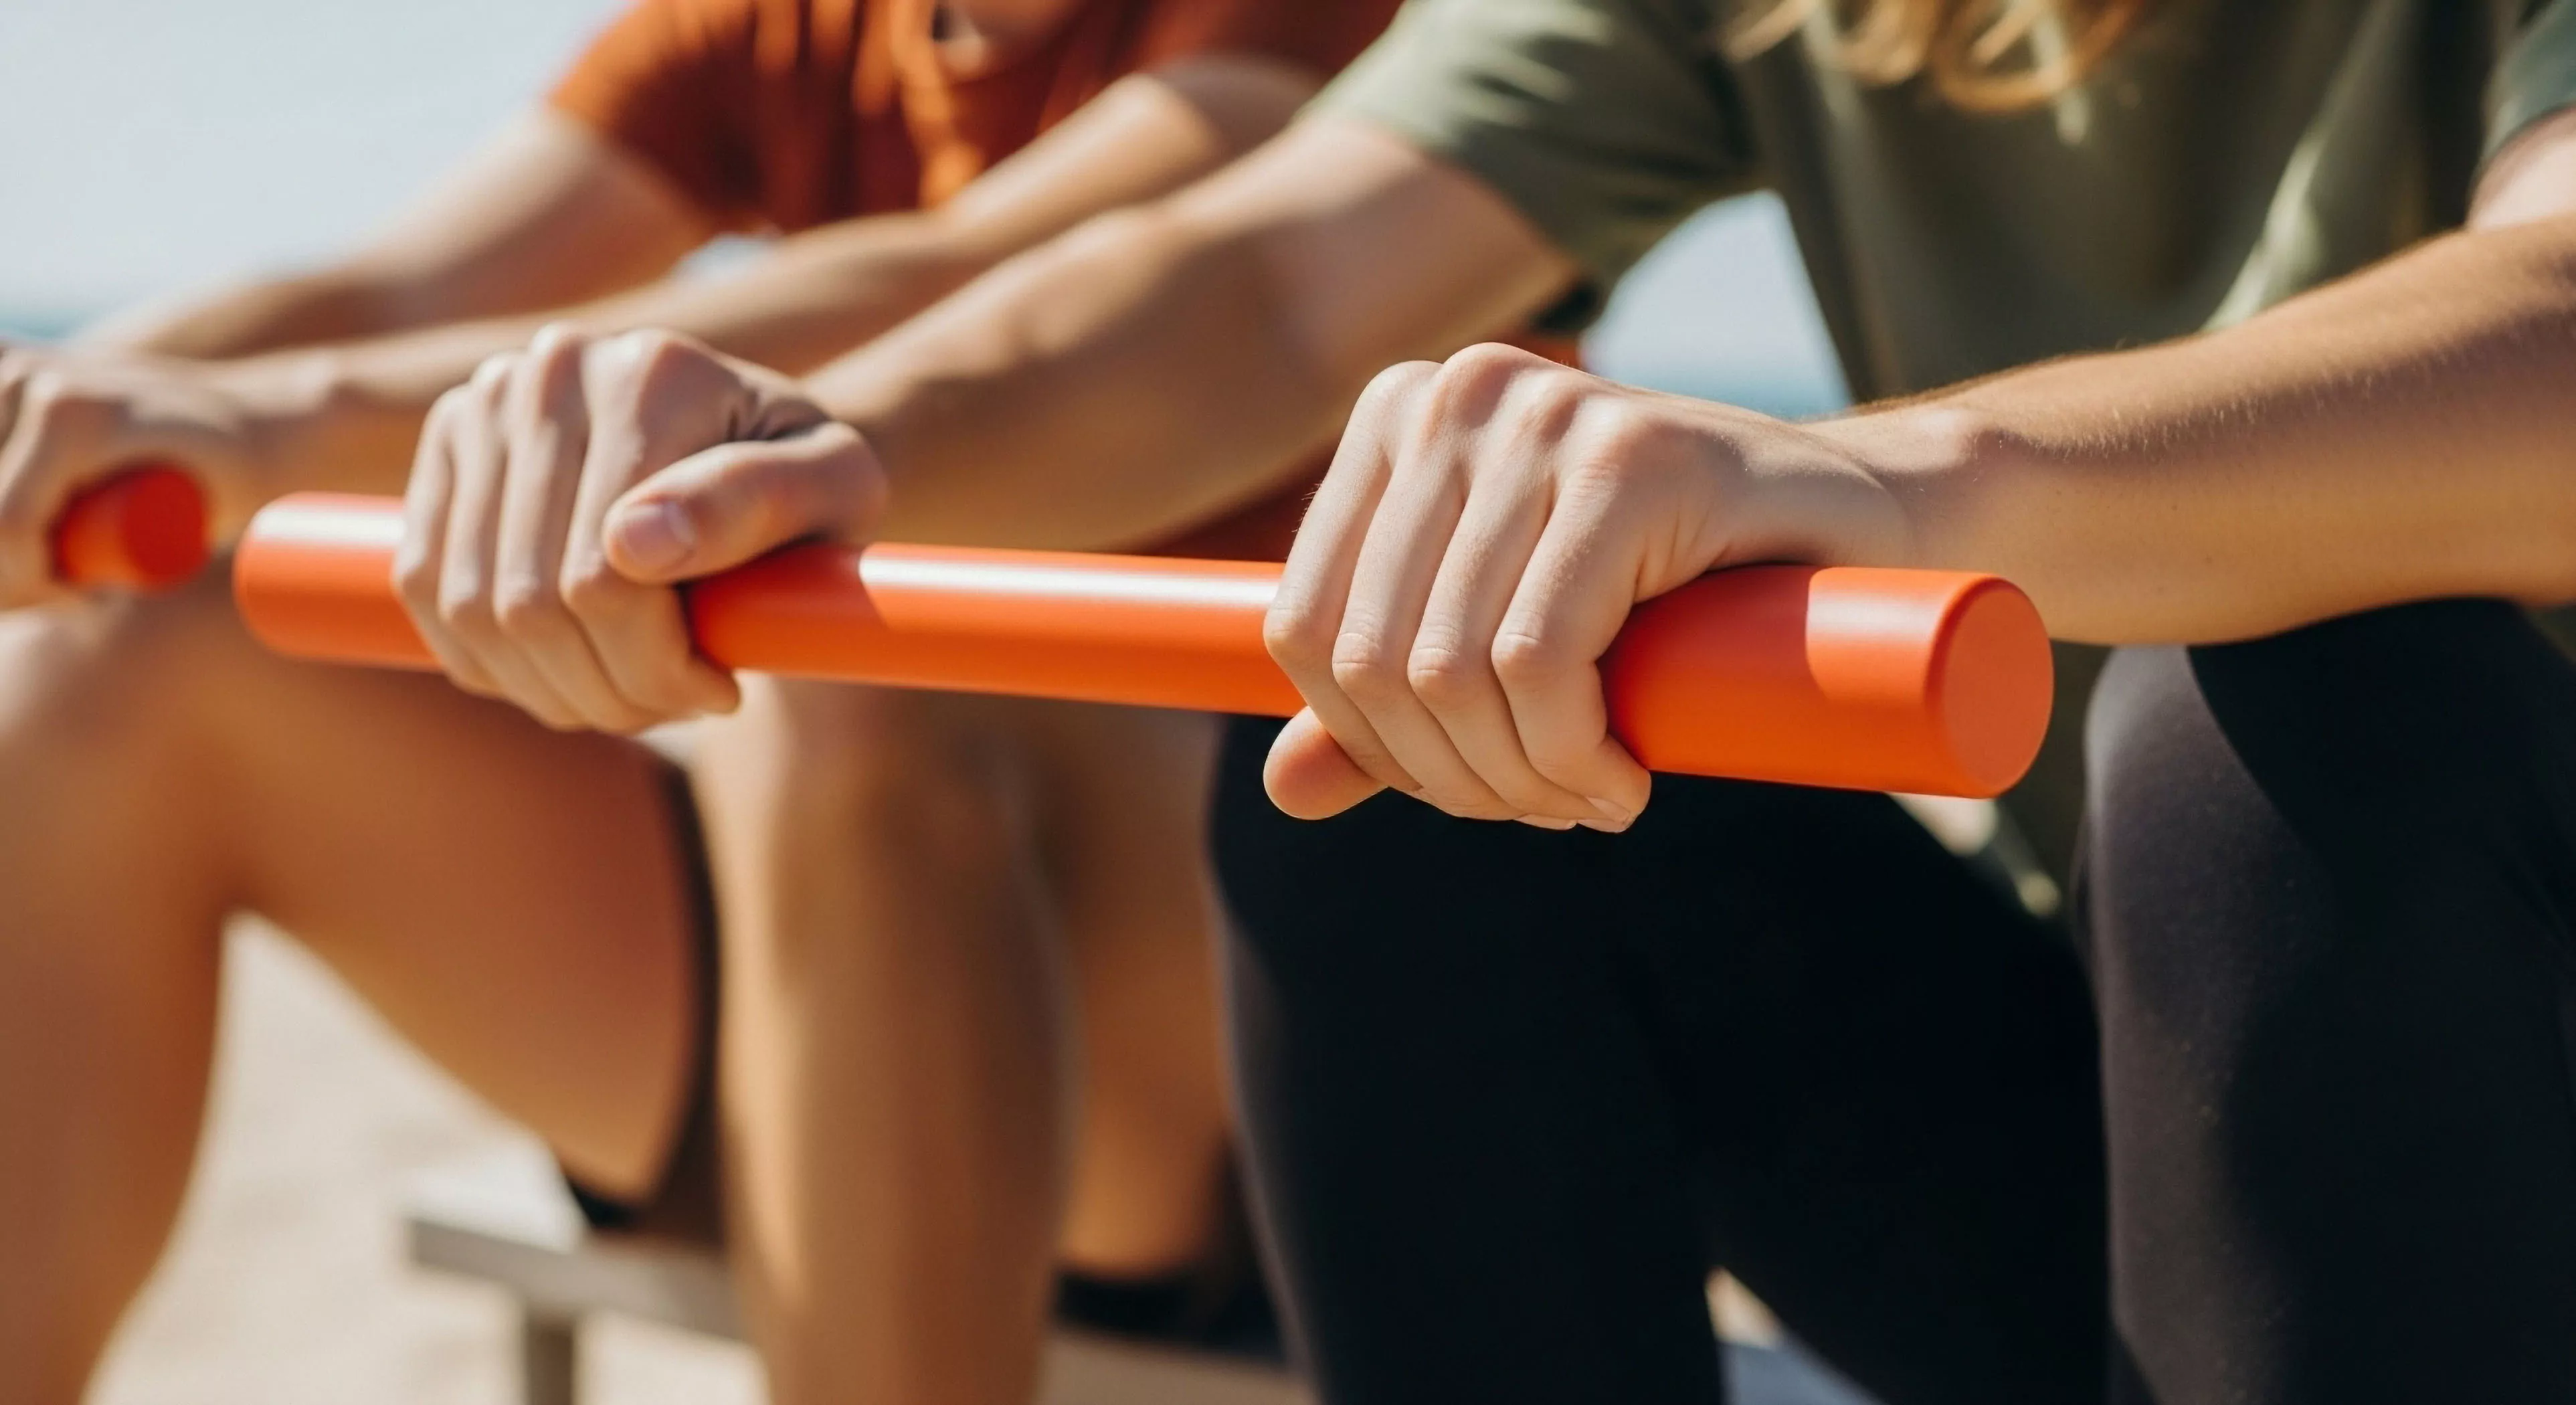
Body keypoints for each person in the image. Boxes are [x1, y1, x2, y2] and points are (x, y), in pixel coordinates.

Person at [387, 0, 2576, 1400]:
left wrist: (1889, 478)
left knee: (2290, 715)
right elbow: (1268, 279)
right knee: (1401, 755)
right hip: (2201, 1173)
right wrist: (812, 447)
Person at [0, 3, 1414, 1400]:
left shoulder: (1301, 26)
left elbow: (994, 283)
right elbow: (393, 300)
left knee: (848, 648)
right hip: (840, 941)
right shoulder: (784, 32)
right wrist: (64, 422)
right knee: (115, 652)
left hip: (1278, 1028)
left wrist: (285, 422)